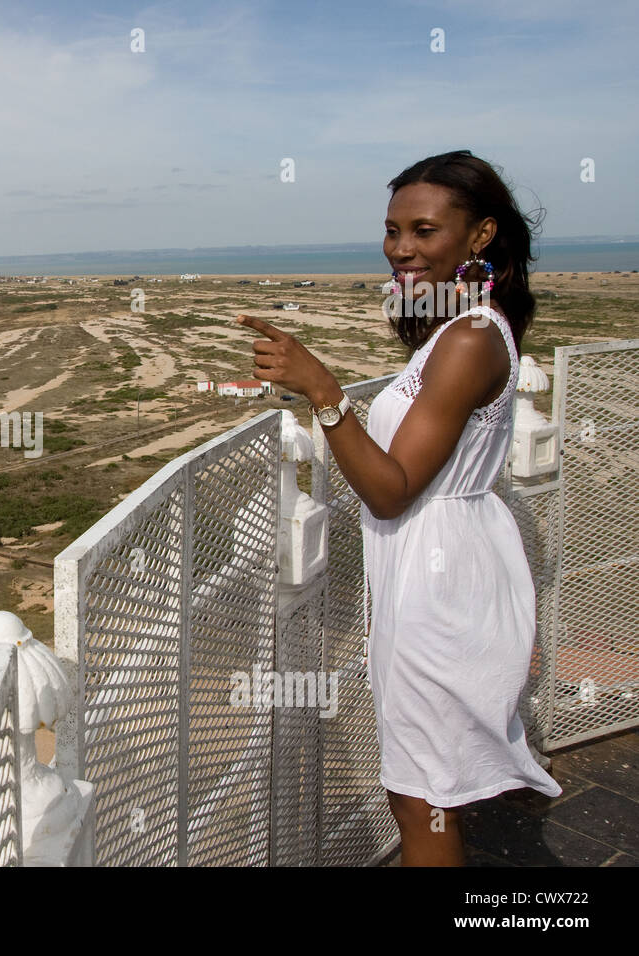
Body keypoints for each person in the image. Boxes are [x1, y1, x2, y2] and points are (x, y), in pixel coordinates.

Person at [239, 150, 561, 866]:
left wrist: (322, 388)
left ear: (480, 235)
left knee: (421, 803)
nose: (401, 249)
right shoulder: (463, 326)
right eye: (392, 230)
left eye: (422, 229)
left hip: (438, 581)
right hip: (433, 565)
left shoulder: (470, 341)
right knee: (424, 792)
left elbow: (390, 486)